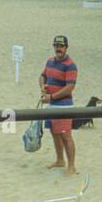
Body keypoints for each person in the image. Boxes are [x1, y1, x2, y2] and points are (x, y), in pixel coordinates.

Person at [40, 35, 79, 176]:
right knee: (54, 133)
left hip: (64, 105)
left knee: (66, 136)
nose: (59, 48)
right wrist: (42, 87)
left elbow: (70, 87)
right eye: (56, 46)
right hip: (50, 104)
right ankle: (60, 160)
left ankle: (72, 166)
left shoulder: (70, 65)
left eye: (61, 46)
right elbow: (42, 76)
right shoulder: (50, 61)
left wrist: (52, 97)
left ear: (66, 47)